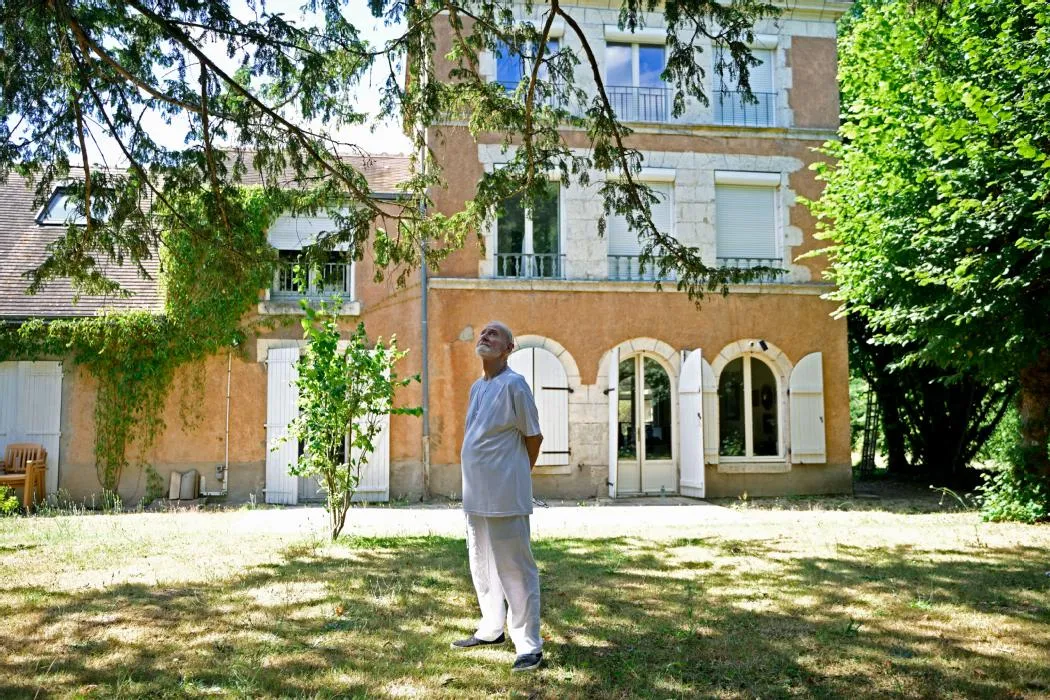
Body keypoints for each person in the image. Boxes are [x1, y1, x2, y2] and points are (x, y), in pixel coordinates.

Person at [451, 320, 544, 673]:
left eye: (495, 334)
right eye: (483, 332)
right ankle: (491, 629)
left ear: (508, 349)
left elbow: (533, 437)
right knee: (481, 562)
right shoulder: (477, 387)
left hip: (506, 491)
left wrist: (516, 474)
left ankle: (529, 645)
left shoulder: (515, 385)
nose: (485, 336)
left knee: (515, 568)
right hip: (475, 492)